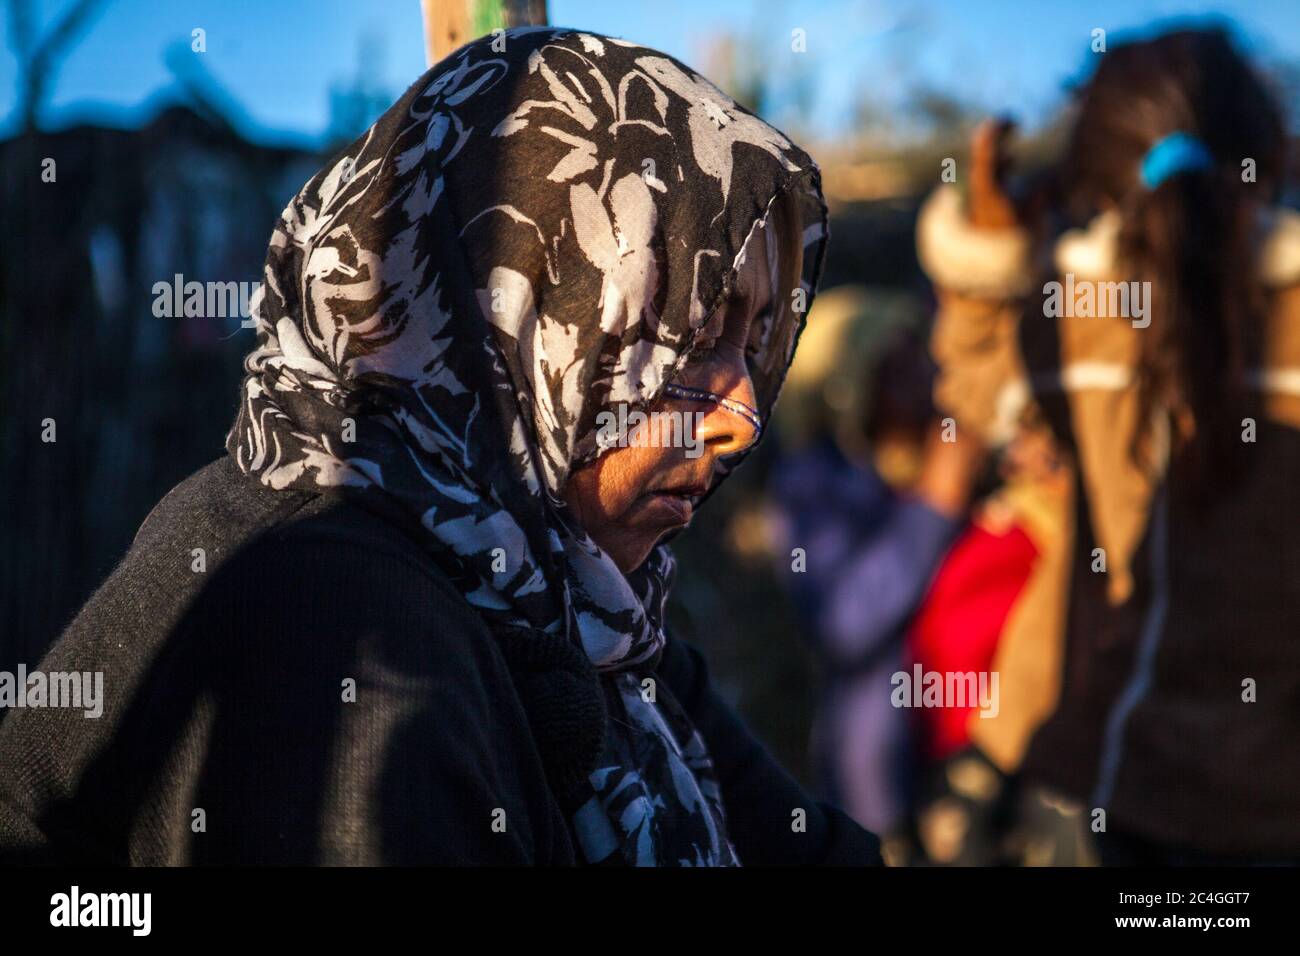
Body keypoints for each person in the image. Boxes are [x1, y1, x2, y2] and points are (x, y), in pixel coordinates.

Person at [0, 28, 880, 866]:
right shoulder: (334, 631)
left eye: (755, 343)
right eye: (693, 340)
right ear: (528, 320)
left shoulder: (581, 603)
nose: (741, 418)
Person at [915, 26, 1300, 864]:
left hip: (1094, 781)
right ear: (1266, 149)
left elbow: (985, 392)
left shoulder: (1078, 322)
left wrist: (984, 260)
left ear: (1091, 166)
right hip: (1269, 805)